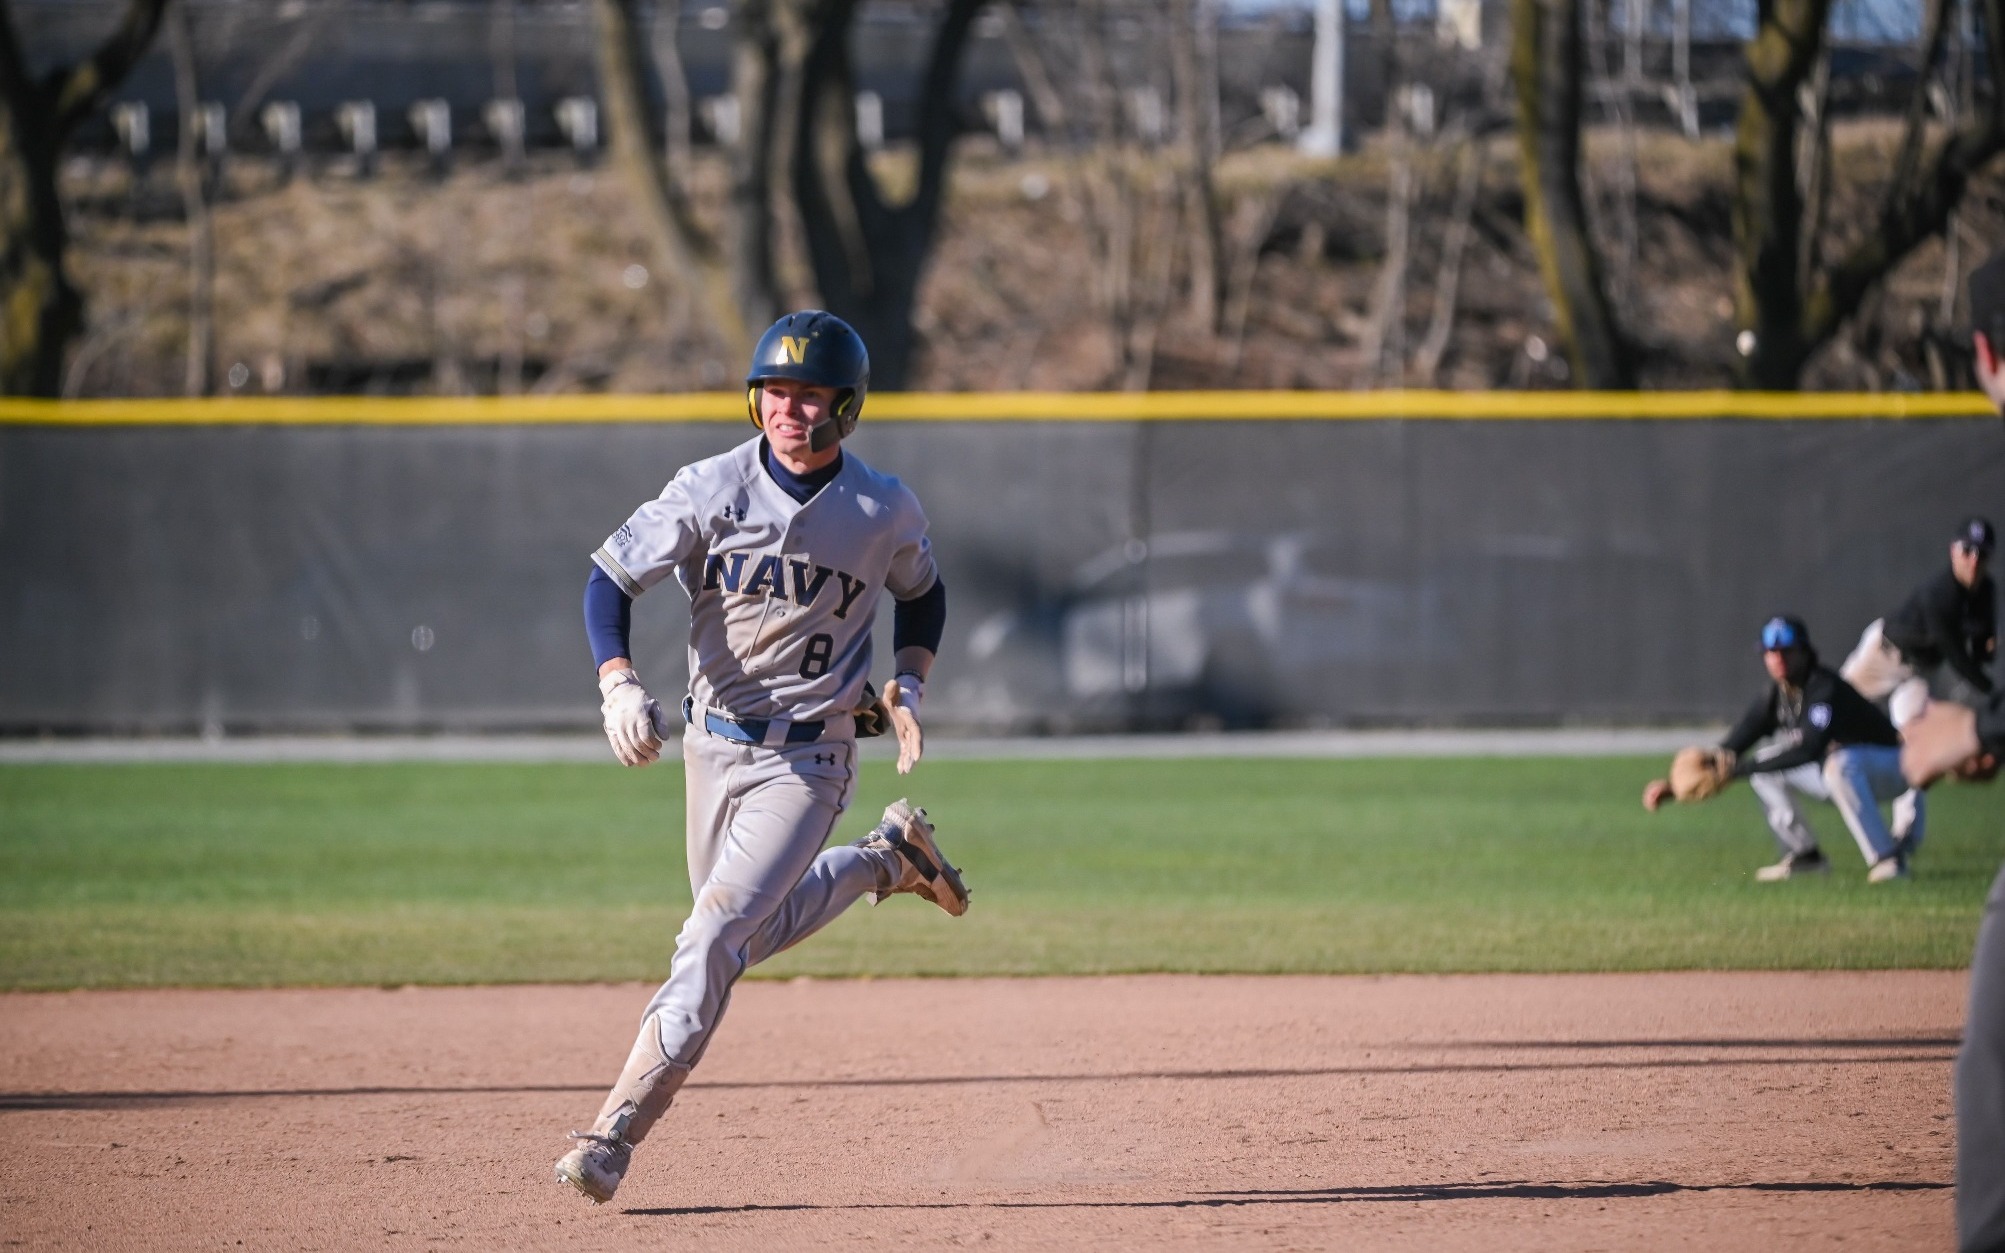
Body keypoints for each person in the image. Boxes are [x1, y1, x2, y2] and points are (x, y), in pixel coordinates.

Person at [552, 310, 968, 1206]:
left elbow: (923, 597)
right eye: (777, 390)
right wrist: (617, 683)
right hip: (712, 743)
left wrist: (910, 683)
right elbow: (609, 578)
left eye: (811, 394)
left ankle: (614, 1130)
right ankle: (883, 862)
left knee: (710, 937)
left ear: (845, 408)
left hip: (811, 757)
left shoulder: (881, 506)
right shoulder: (709, 488)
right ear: (755, 397)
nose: (791, 409)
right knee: (741, 934)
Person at [1642, 615, 1910, 882]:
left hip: (1893, 768)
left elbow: (1809, 750)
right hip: (1841, 775)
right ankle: (1806, 856)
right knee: (1766, 766)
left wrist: (1742, 770)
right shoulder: (1777, 695)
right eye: (1771, 652)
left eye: (1787, 651)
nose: (1779, 658)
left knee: (1838, 763)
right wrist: (1674, 788)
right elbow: (1732, 748)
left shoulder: (1824, 688)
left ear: (1804, 652)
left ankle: (1887, 858)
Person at [1837, 513, 1997, 864]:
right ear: (1953, 551)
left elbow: (1981, 642)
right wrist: (1992, 693)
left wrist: (1987, 645)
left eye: (1981, 554)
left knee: (1915, 737)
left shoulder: (1985, 592)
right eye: (1967, 551)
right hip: (1882, 658)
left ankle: (1905, 836)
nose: (1974, 560)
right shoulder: (1939, 593)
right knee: (1833, 712)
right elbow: (1956, 655)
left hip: (1918, 672)